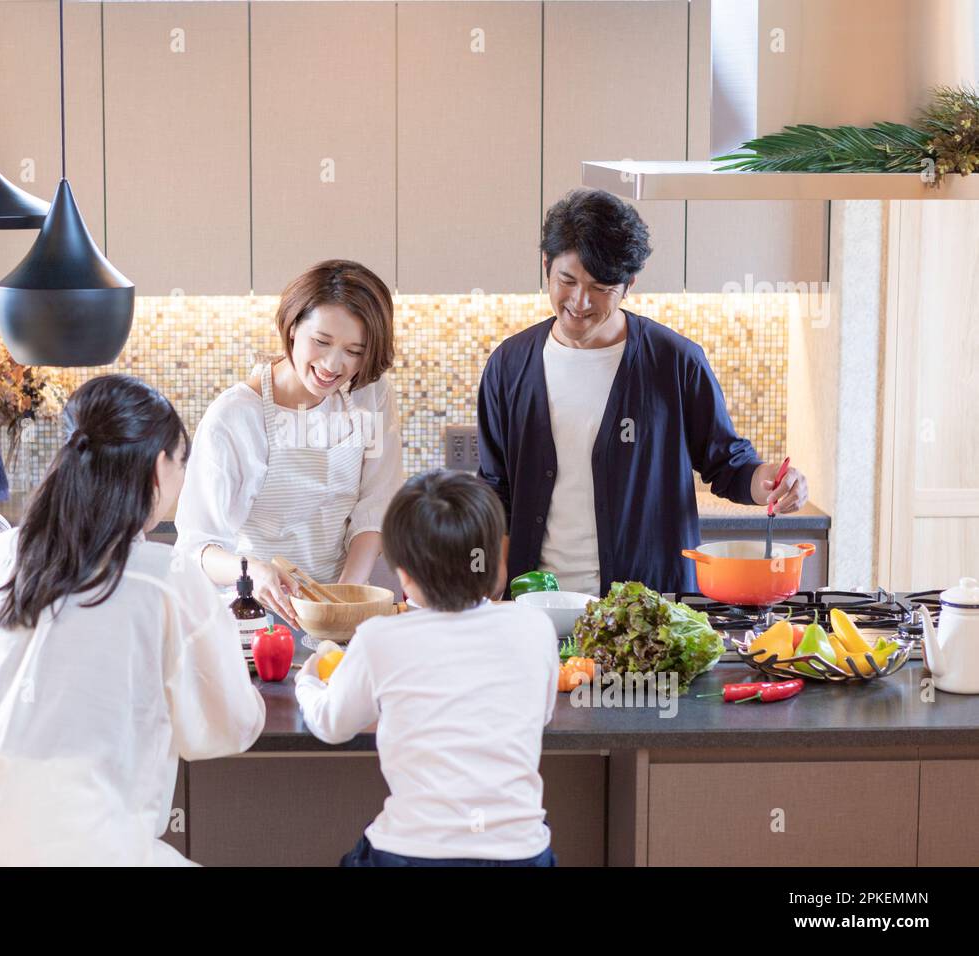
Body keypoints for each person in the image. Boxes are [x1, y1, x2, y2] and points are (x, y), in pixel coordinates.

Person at [0, 375, 264, 866]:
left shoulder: (6, 551)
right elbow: (228, 726)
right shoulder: (165, 577)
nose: (183, 478)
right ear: (159, 467)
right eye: (182, 462)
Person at [477, 188, 809, 597]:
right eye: (567, 280)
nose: (580, 302)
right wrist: (489, 573)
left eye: (601, 286)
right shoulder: (509, 366)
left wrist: (768, 482)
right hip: (537, 606)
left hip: (648, 609)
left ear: (630, 283)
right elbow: (495, 488)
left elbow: (725, 463)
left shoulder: (674, 361)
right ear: (546, 265)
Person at [296, 470, 561, 867]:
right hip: (522, 853)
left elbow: (332, 724)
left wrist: (308, 680)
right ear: (494, 562)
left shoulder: (379, 637)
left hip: (412, 854)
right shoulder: (536, 628)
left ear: (404, 574)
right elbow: (539, 715)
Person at [174, 260, 404, 623]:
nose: (333, 364)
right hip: (254, 619)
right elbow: (195, 548)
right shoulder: (235, 417)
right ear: (293, 327)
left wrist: (339, 602)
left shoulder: (369, 395)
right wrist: (253, 571)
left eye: (354, 351)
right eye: (322, 341)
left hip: (338, 607)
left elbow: (376, 505)